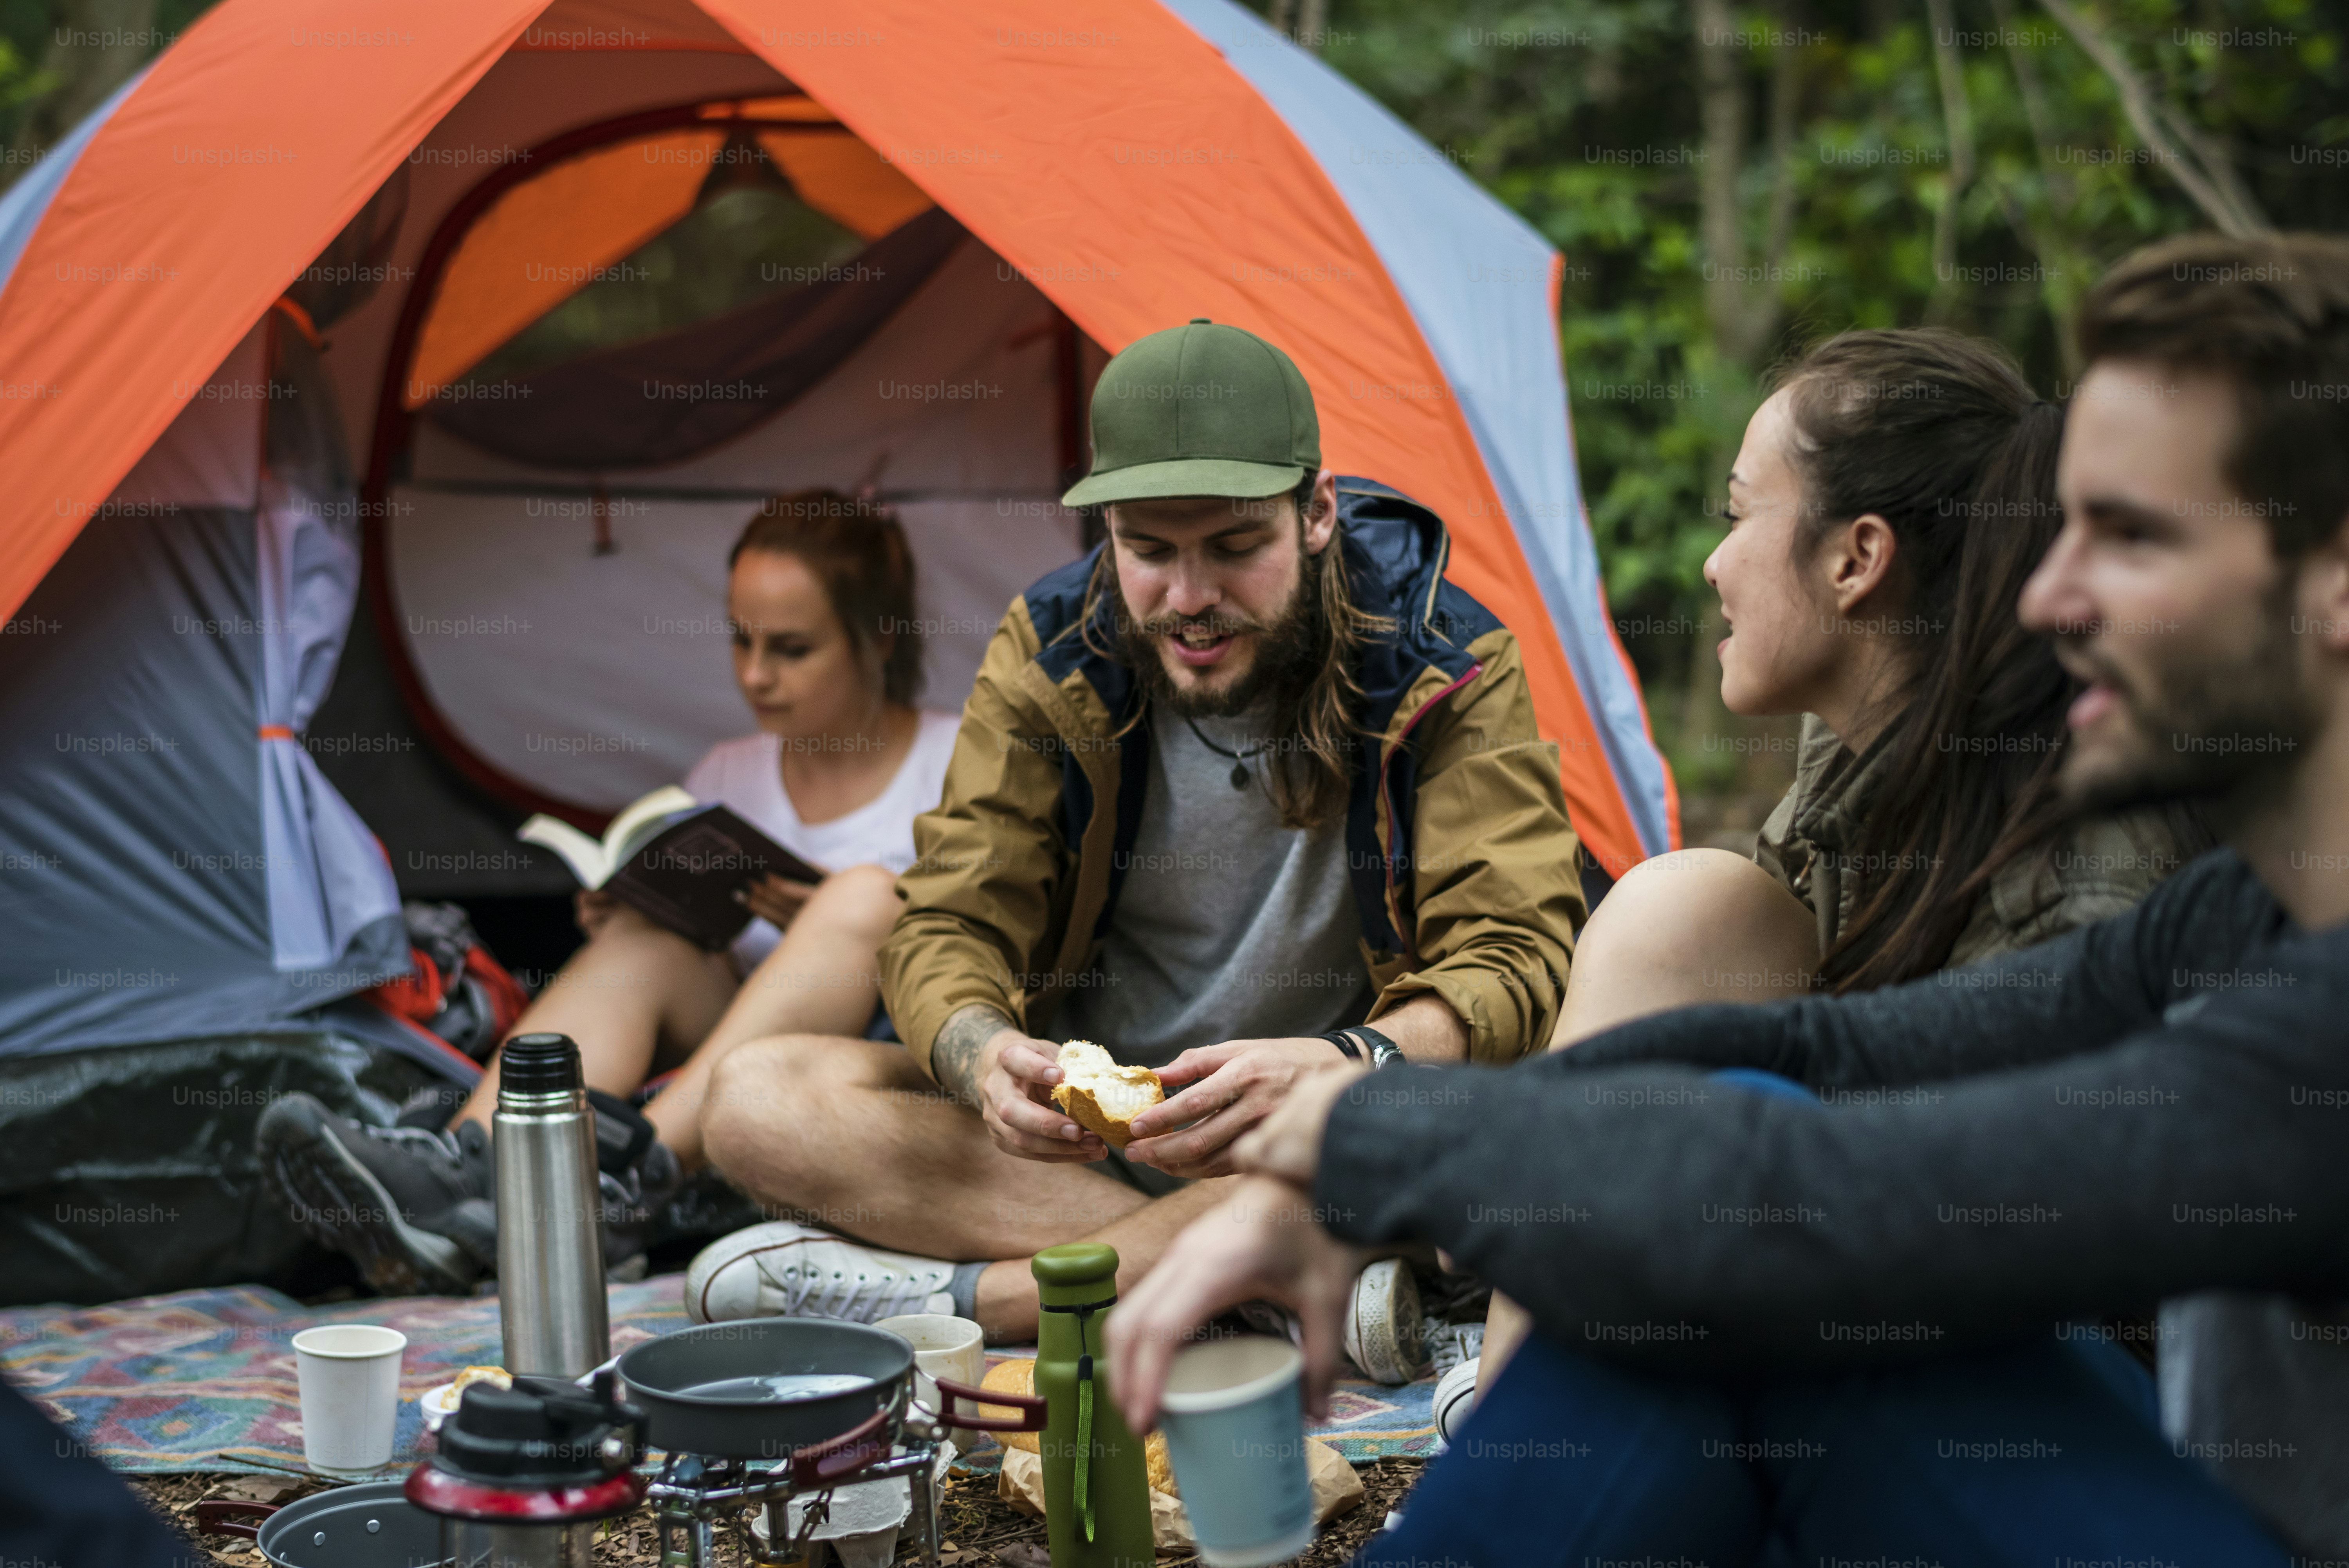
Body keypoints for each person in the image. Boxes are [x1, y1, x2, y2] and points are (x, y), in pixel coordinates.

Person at [1104, 233, 2349, 1566]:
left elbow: (1827, 1200)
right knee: (1728, 1198)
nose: (2046, 591)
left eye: (2135, 536)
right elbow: (1816, 1051)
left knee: (1749, 1262)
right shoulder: (2234, 914)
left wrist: (1367, 1141)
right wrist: (1343, 1162)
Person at [680, 319, 1587, 1372]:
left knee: (1528, 1130)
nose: (1191, 598)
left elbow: (1515, 953)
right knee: (750, 1097)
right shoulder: (1049, 647)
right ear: (1108, 531)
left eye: (1236, 547)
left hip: (1328, 1136)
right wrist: (981, 1055)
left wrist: (1348, 1063)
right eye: (1149, 550)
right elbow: (949, 920)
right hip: (1085, 1149)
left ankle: (995, 1299)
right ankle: (1253, 1280)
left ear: (1317, 514)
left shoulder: (1445, 658)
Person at [1474, 327, 2203, 1393]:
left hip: (2055, 1407)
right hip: (1907, 1306)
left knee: (1672, 925)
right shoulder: (1871, 752)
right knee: (1686, 915)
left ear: (1856, 559)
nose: (1712, 564)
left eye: (1736, 516)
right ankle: (1513, 1435)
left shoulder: (2081, 874)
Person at [258, 490, 963, 1293]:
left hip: (873, 1060)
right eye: (740, 640)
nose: (756, 675)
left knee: (868, 897)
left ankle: (621, 1187)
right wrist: (635, 907)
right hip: (717, 1064)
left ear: (877, 640)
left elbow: (1000, 954)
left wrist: (853, 926)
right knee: (642, 939)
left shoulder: (953, 759)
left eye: (793, 648)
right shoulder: (731, 770)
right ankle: (462, 1175)